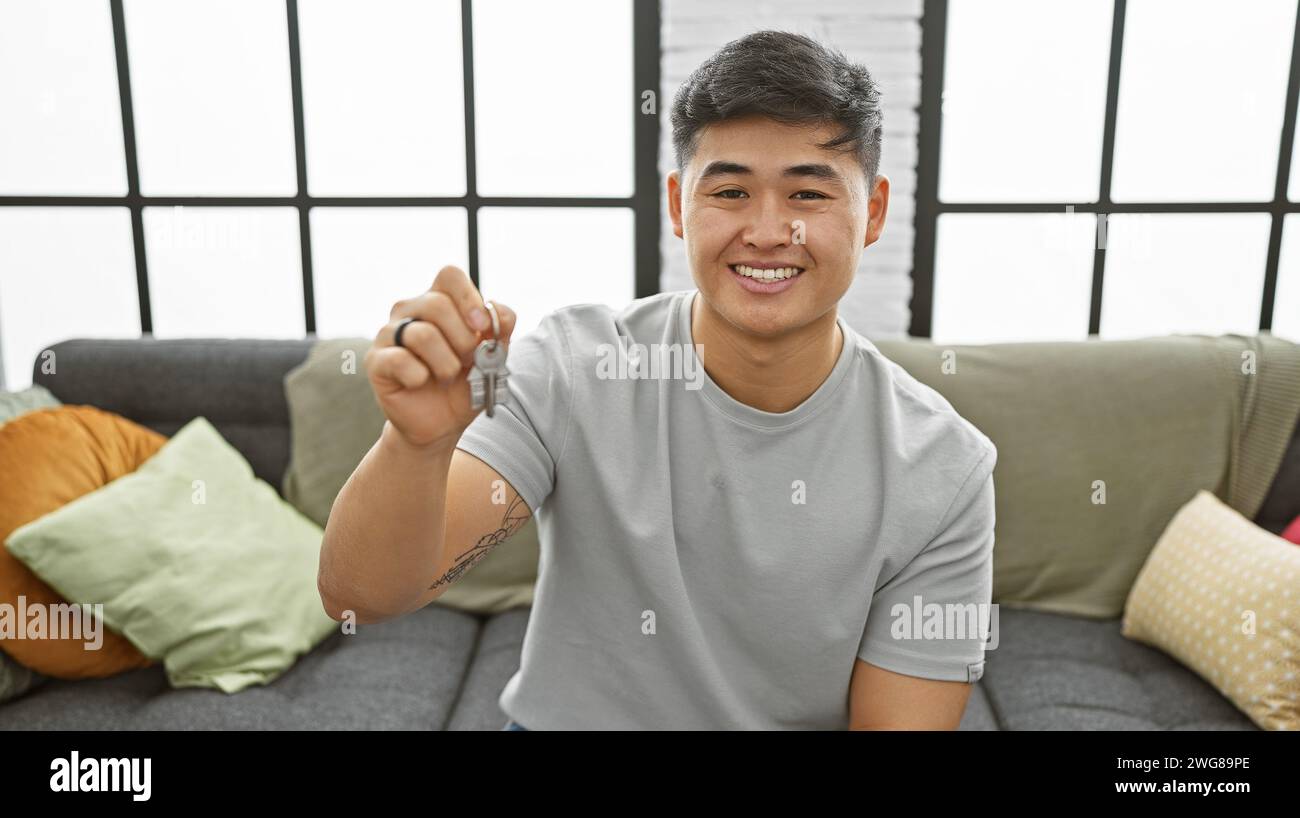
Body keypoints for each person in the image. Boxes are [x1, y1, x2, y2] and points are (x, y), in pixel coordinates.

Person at [318, 30, 997, 731]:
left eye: (807, 193)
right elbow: (360, 596)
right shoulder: (574, 365)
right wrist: (416, 444)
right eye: (730, 190)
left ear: (874, 213)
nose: (768, 231)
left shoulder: (946, 470)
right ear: (678, 205)